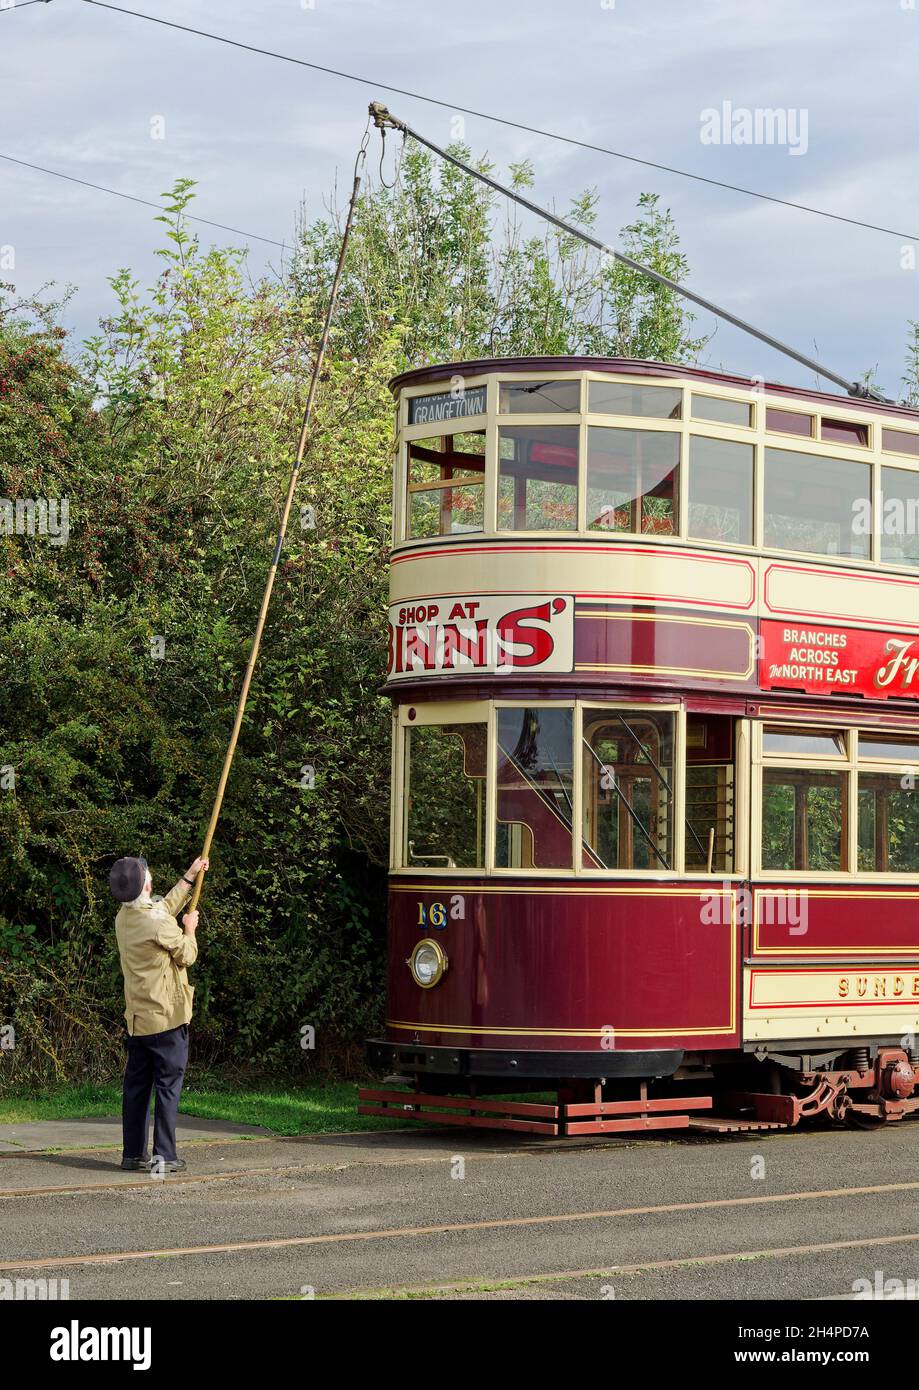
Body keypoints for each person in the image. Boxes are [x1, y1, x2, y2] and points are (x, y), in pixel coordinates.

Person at [109, 854, 209, 1173]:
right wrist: (190, 928)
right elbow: (187, 955)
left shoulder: (124, 918)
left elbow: (162, 907)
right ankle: (164, 1155)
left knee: (137, 1088)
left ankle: (132, 1154)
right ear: (147, 883)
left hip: (138, 1021)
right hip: (167, 1019)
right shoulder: (157, 921)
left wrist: (189, 876)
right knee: (168, 1086)